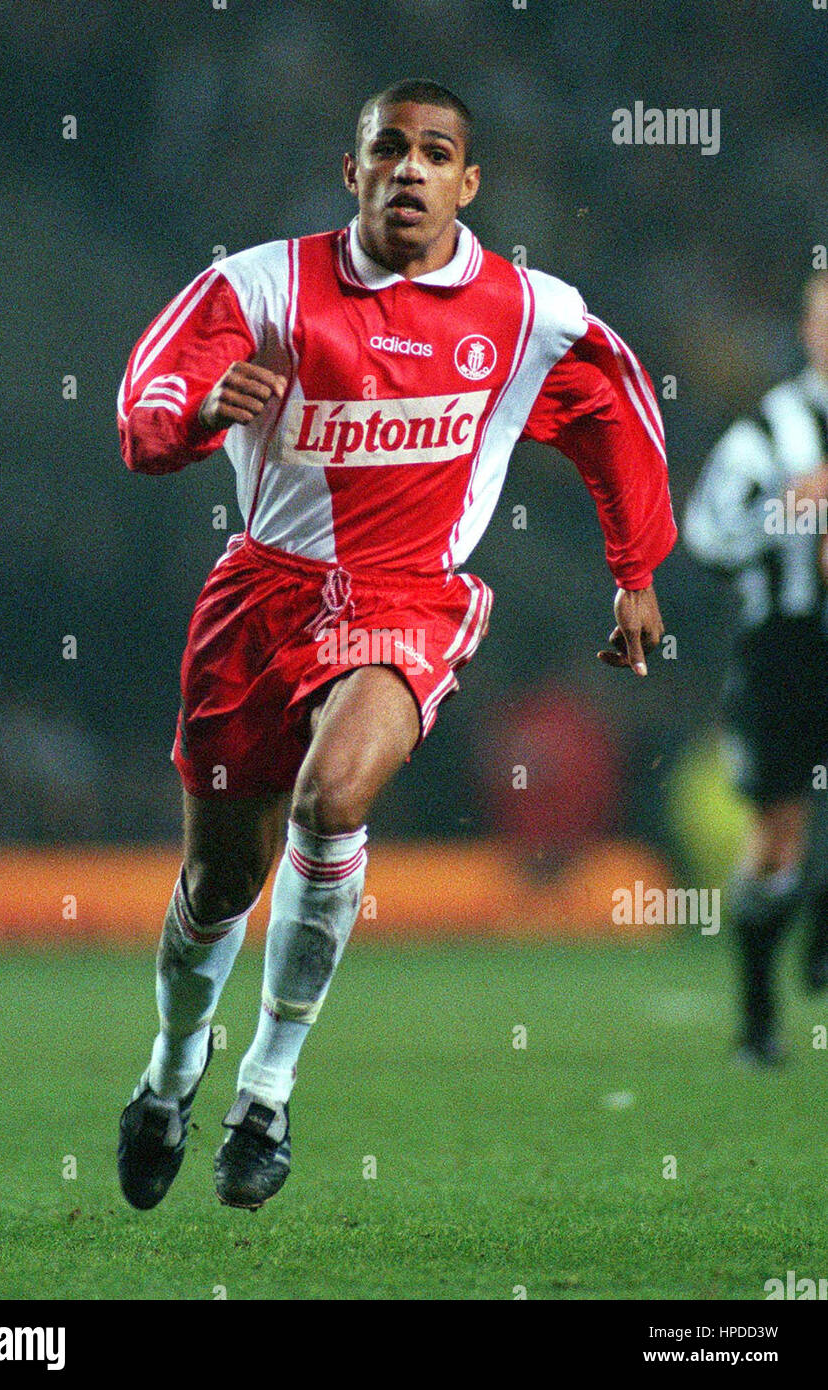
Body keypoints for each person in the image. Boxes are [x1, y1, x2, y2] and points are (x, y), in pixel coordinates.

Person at [115, 79, 676, 1211]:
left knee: (334, 799)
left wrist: (634, 572)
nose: (409, 169)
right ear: (352, 169)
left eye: (433, 153)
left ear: (467, 182)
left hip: (406, 599)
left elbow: (617, 411)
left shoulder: (527, 314)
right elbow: (147, 396)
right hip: (259, 601)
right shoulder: (262, 285)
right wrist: (198, 413)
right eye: (388, 149)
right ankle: (172, 1070)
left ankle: (265, 1092)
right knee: (221, 875)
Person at [683, 272, 828, 1066]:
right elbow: (704, 537)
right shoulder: (769, 432)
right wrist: (785, 513)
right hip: (786, 648)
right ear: (808, 330)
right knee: (778, 831)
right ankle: (759, 1015)